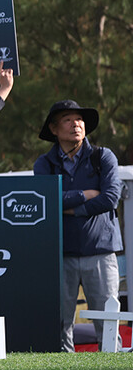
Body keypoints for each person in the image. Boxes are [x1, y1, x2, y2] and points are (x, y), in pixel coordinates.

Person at [33, 99, 123, 352]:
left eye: (79, 119)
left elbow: (110, 198)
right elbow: (45, 201)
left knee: (108, 325)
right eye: (68, 120)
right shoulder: (44, 164)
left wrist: (70, 208)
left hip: (101, 252)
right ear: (54, 129)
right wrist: (85, 195)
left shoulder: (103, 156)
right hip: (61, 255)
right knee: (60, 327)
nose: (76, 124)